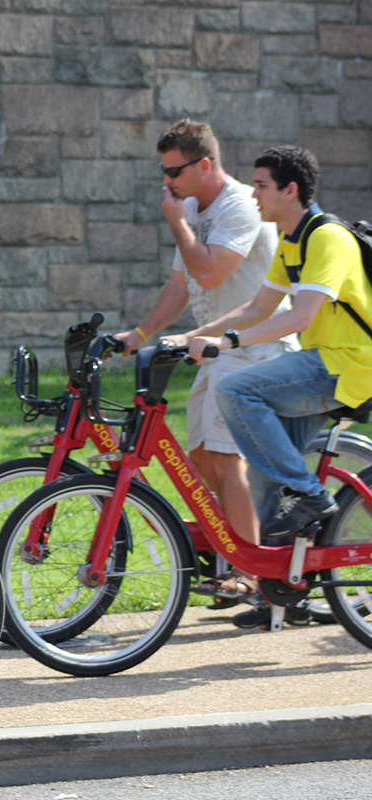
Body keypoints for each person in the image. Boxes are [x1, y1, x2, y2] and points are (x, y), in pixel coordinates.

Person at [180, 145, 372, 627]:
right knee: (265, 477)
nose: (253, 193)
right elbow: (258, 306)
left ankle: (310, 493)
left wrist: (227, 343)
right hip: (324, 361)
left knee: (238, 392)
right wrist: (195, 337)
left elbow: (300, 316)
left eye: (261, 184)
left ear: (291, 190)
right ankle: (281, 593)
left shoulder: (327, 238)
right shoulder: (291, 241)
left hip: (349, 365)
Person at [115, 120, 289, 575]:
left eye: (173, 172)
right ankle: (245, 546)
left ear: (204, 165)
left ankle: (250, 576)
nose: (166, 181)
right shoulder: (192, 207)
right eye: (163, 170)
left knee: (225, 460)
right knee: (200, 458)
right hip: (215, 350)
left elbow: (209, 272)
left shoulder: (239, 206)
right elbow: (182, 284)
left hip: (256, 348)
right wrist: (141, 334)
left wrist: (178, 223)